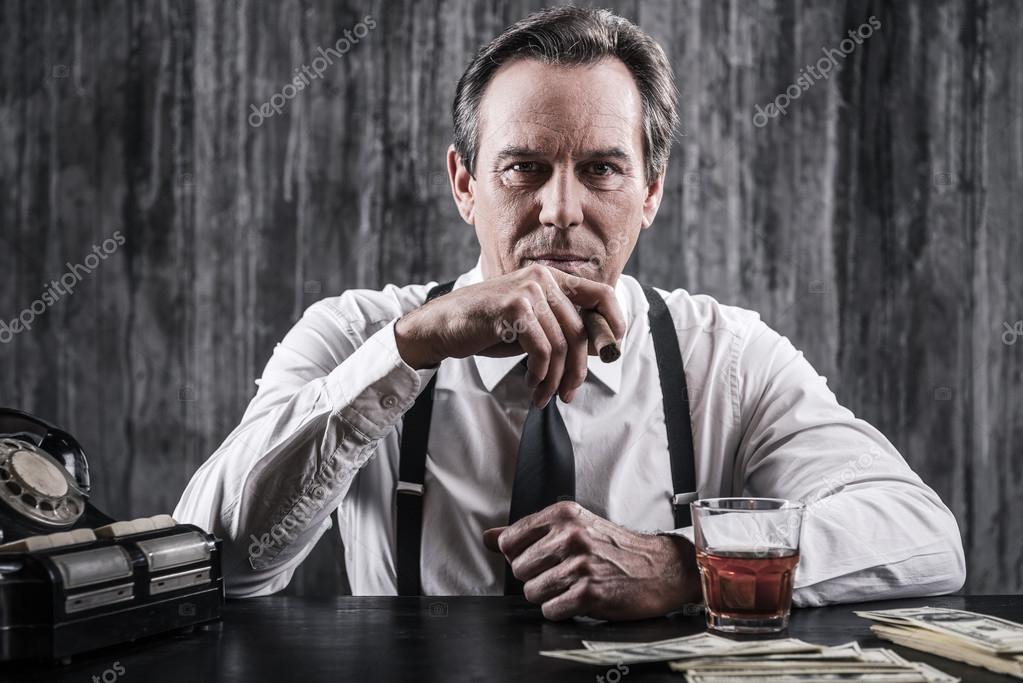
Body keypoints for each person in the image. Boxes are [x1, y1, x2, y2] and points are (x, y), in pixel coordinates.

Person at [174, 6, 965, 621]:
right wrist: (407, 351)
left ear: (650, 192)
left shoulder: (725, 356)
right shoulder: (356, 335)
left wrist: (684, 563)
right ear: (464, 184)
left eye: (601, 170)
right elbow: (216, 561)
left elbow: (921, 536)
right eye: (524, 167)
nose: (560, 210)